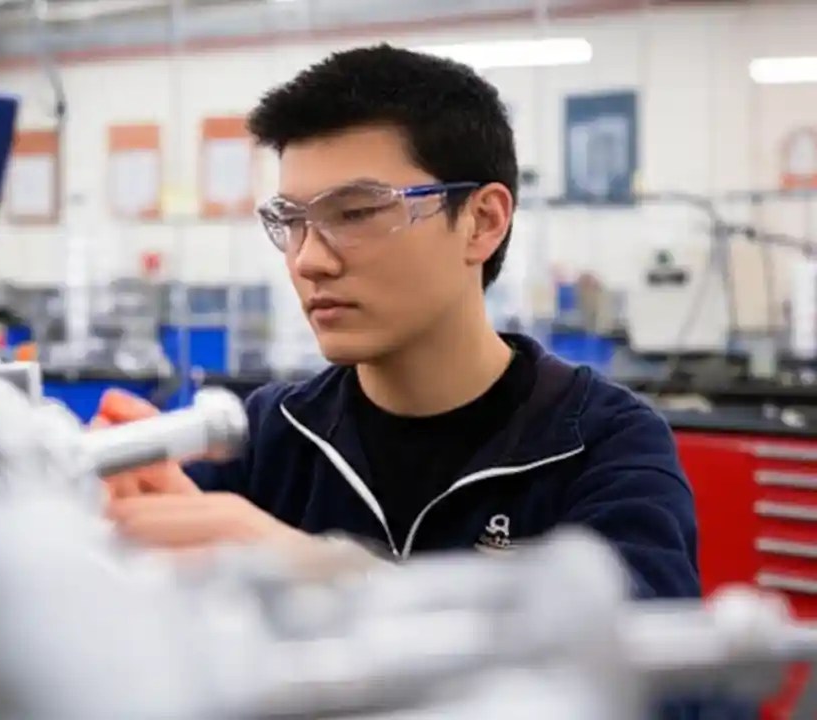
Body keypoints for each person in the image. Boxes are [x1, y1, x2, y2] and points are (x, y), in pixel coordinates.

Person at [97, 44, 743, 717]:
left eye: (356, 212)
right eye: (290, 221)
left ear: (483, 222)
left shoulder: (600, 444)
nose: (309, 260)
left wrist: (331, 582)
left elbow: (658, 685)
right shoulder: (270, 438)